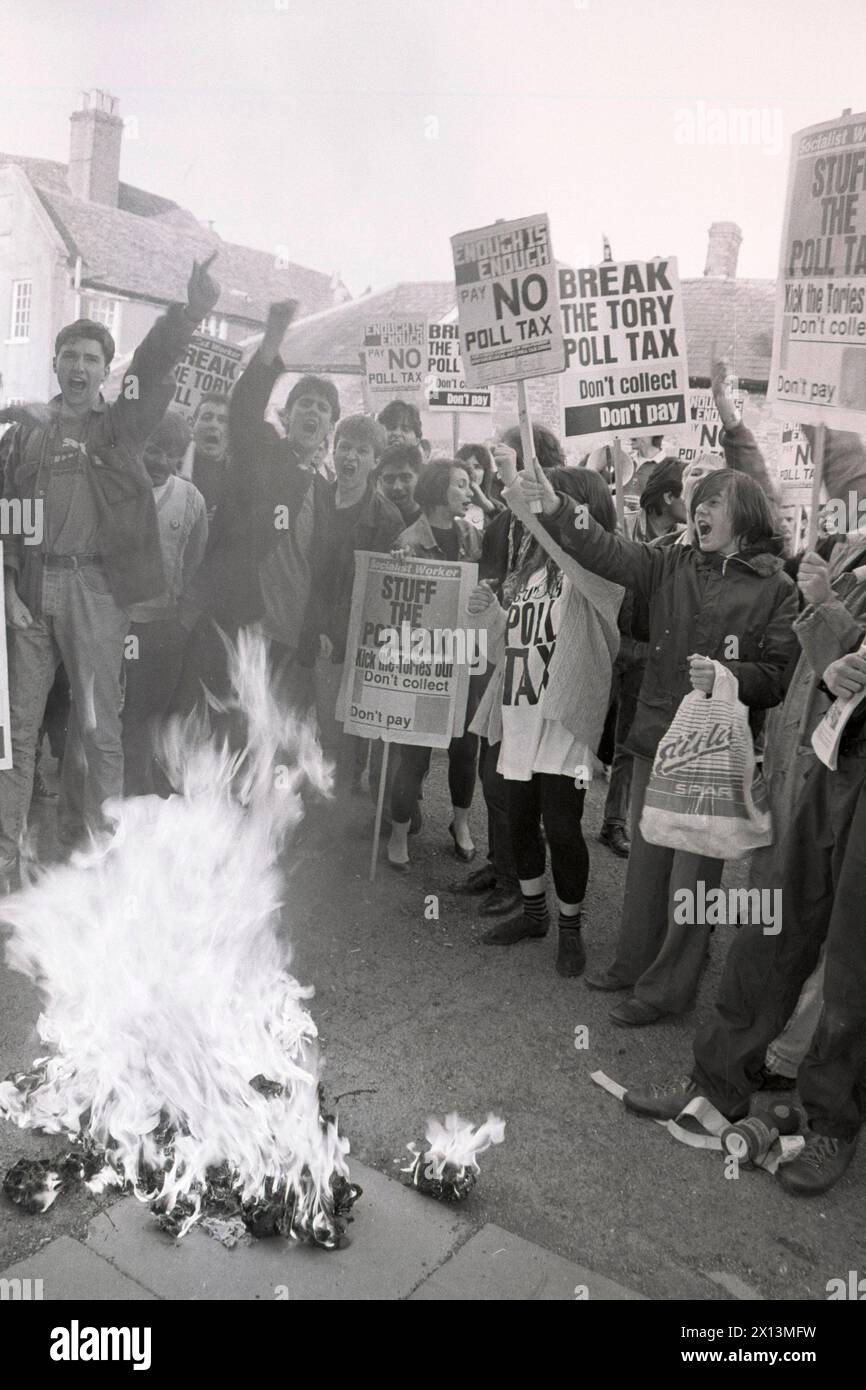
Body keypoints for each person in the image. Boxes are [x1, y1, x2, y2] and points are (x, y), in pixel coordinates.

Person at [517, 463, 799, 1026]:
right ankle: (632, 963)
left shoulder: (777, 588)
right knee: (648, 865)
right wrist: (554, 507)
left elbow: (779, 674)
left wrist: (728, 676)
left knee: (691, 878)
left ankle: (670, 988)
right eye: (699, 500)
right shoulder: (671, 560)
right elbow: (607, 551)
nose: (700, 510)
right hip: (656, 737)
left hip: (712, 755)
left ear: (743, 516)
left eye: (713, 502)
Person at [0, 254, 220, 877]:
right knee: (15, 733)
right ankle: (5, 856)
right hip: (31, 588)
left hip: (96, 588)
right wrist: (11, 585)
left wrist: (190, 314)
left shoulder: (119, 427)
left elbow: (151, 370)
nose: (78, 368)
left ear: (103, 372)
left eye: (91, 360)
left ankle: (102, 856)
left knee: (97, 729)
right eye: (69, 357)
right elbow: (9, 517)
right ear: (55, 364)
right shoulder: (25, 435)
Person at [623, 633, 866, 1197]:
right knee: (771, 927)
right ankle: (717, 1083)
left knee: (854, 963)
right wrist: (842, 672)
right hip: (841, 761)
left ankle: (833, 1122)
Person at [470, 457, 622, 977]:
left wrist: (518, 486)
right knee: (518, 819)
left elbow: (559, 537)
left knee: (562, 827)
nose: (542, 511)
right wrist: (487, 611)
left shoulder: (595, 576)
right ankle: (534, 915)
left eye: (556, 500)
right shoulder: (530, 571)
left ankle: (570, 927)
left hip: (564, 725)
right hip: (518, 714)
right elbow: (506, 645)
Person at [177, 299, 337, 728]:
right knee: (220, 731)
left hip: (288, 637)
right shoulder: (263, 452)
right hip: (237, 621)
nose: (313, 412)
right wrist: (272, 340)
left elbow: (325, 571)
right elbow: (245, 408)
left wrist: (318, 627)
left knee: (268, 741)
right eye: (305, 403)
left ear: (330, 427)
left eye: (323, 408)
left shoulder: (326, 492)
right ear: (288, 414)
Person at [462, 424, 568, 918]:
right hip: (502, 655)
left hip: (536, 668)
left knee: (511, 779)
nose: (512, 477)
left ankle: (519, 879)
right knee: (491, 771)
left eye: (519, 466)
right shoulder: (503, 524)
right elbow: (492, 575)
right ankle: (500, 862)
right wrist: (488, 595)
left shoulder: (556, 527)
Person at [386, 459, 482, 872]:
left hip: (464, 656)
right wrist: (398, 569)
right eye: (461, 484)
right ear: (439, 488)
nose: (468, 492)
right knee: (415, 751)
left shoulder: (471, 535)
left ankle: (460, 825)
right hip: (424, 660)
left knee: (464, 748)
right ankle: (398, 831)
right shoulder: (408, 539)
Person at [598, 459, 687, 860]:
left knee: (628, 742)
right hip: (607, 639)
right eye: (691, 492)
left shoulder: (687, 544)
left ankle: (613, 822)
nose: (698, 506)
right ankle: (558, 809)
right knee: (578, 723)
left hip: (648, 648)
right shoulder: (622, 523)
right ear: (669, 496)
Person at [122, 412, 208, 795]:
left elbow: (197, 568)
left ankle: (144, 799)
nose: (159, 461)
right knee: (113, 715)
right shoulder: (117, 488)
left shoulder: (191, 499)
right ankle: (111, 798)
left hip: (163, 627)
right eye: (153, 449)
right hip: (117, 623)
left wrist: (183, 623)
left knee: (152, 716)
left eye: (170, 453)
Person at [320, 413, 403, 784]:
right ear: (333, 451)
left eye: (362, 451)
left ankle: (338, 819)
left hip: (349, 643)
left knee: (341, 738)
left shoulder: (386, 518)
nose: (351, 458)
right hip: (306, 635)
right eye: (345, 448)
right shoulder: (315, 497)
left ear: (375, 461)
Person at [179, 392, 231, 520]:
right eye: (207, 417)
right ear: (192, 424)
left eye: (222, 420)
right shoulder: (173, 462)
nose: (214, 425)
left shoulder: (238, 476)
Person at [375, 441, 425, 527]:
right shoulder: (374, 523)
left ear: (419, 478)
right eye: (389, 479)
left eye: (405, 478)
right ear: (380, 482)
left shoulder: (429, 521)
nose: (397, 487)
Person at [456, 443, 504, 530]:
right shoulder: (446, 506)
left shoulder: (497, 507)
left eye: (477, 467)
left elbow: (509, 535)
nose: (471, 472)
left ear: (485, 472)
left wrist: (490, 509)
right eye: (465, 466)